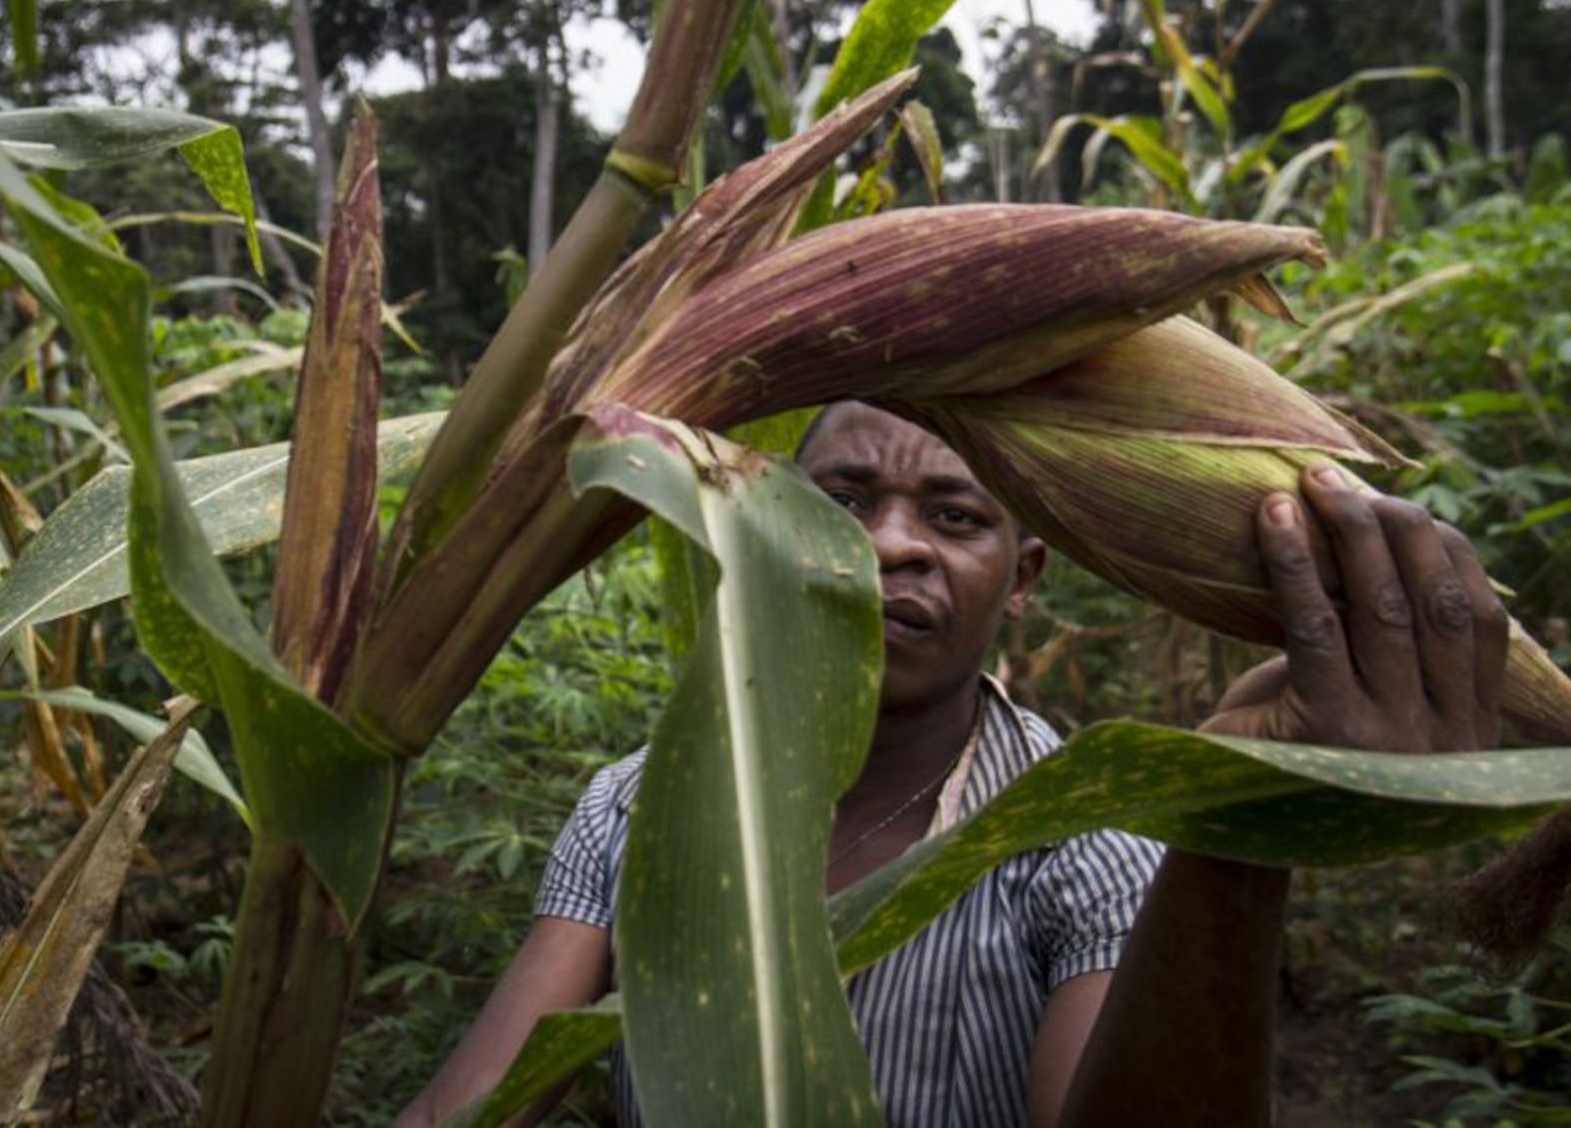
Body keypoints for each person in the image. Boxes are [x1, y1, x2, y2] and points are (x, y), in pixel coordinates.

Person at [396, 401, 1507, 1127]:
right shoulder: (634, 803)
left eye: (952, 513)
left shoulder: (1085, 830)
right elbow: (483, 1097)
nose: (889, 544)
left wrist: (1238, 827)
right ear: (762, 530)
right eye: (839, 502)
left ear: (1021, 578)